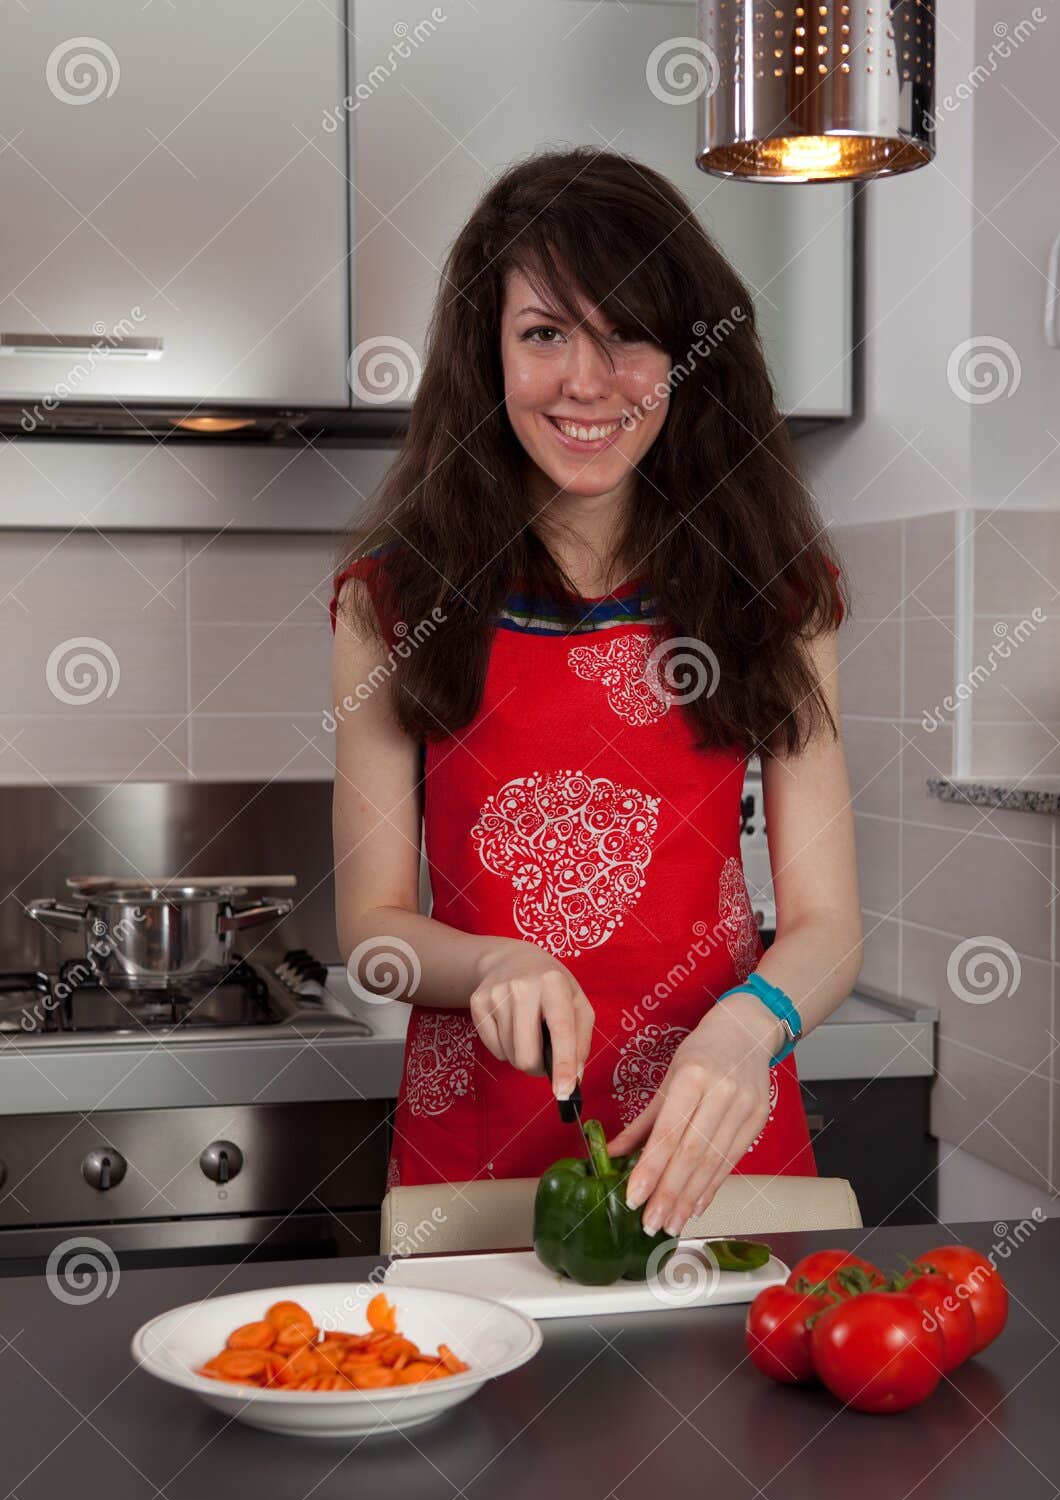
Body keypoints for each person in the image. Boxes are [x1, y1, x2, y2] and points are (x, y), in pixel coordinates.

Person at [329, 145, 862, 1239]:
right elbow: (369, 929)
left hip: (713, 1137)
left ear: (684, 355)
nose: (587, 380)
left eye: (627, 333)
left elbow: (827, 924)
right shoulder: (389, 603)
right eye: (544, 334)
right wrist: (491, 960)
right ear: (486, 353)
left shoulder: (777, 593)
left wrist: (750, 1027)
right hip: (478, 1157)